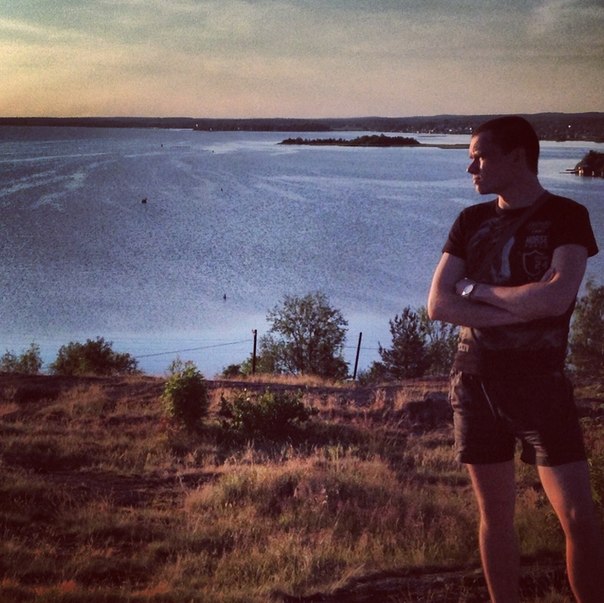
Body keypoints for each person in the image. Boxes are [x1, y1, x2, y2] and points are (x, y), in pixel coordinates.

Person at [427, 115, 604, 603]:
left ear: (516, 156)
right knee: (496, 518)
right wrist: (524, 306)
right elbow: (438, 304)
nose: (471, 169)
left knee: (579, 519)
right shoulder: (470, 221)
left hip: (540, 385)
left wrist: (480, 292)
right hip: (476, 382)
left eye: (480, 157)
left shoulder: (567, 216)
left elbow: (557, 298)